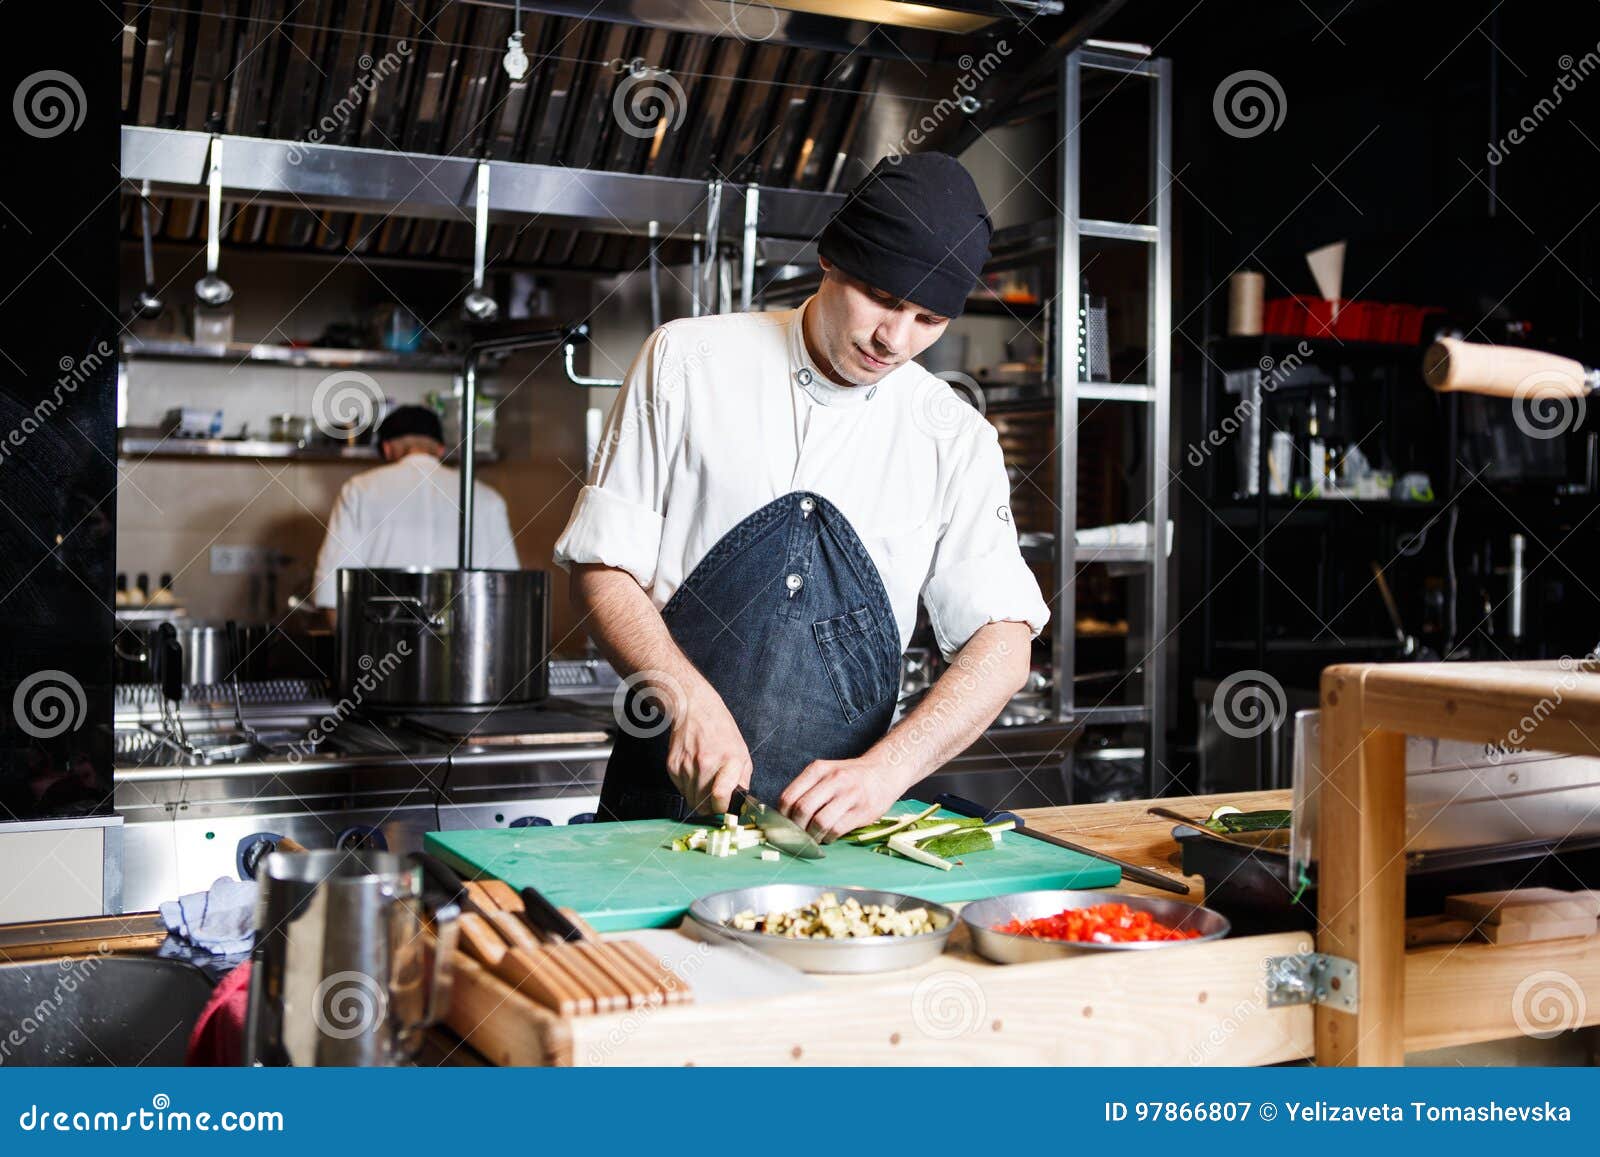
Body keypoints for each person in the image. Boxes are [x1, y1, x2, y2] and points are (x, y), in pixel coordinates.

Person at [552, 152, 1050, 840]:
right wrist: (686, 693)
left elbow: (1004, 640)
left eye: (927, 318)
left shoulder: (954, 435)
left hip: (836, 835)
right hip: (653, 808)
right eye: (881, 298)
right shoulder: (686, 361)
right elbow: (603, 566)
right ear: (830, 259)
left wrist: (886, 771)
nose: (894, 339)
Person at [311, 405, 519, 616]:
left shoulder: (359, 490)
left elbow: (331, 592)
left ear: (387, 448)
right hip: (468, 639)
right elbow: (510, 590)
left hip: (382, 639)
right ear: (440, 449)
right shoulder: (486, 497)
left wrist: (353, 647)